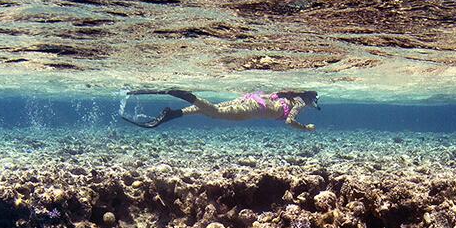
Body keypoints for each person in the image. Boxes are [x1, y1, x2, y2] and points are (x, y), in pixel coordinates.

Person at [121, 90, 320, 130]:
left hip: (252, 99)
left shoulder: (288, 96)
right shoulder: (299, 103)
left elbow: (268, 96)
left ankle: (174, 114)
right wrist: (306, 128)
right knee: (215, 112)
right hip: (255, 108)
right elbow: (289, 121)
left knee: (209, 110)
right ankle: (186, 95)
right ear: (309, 99)